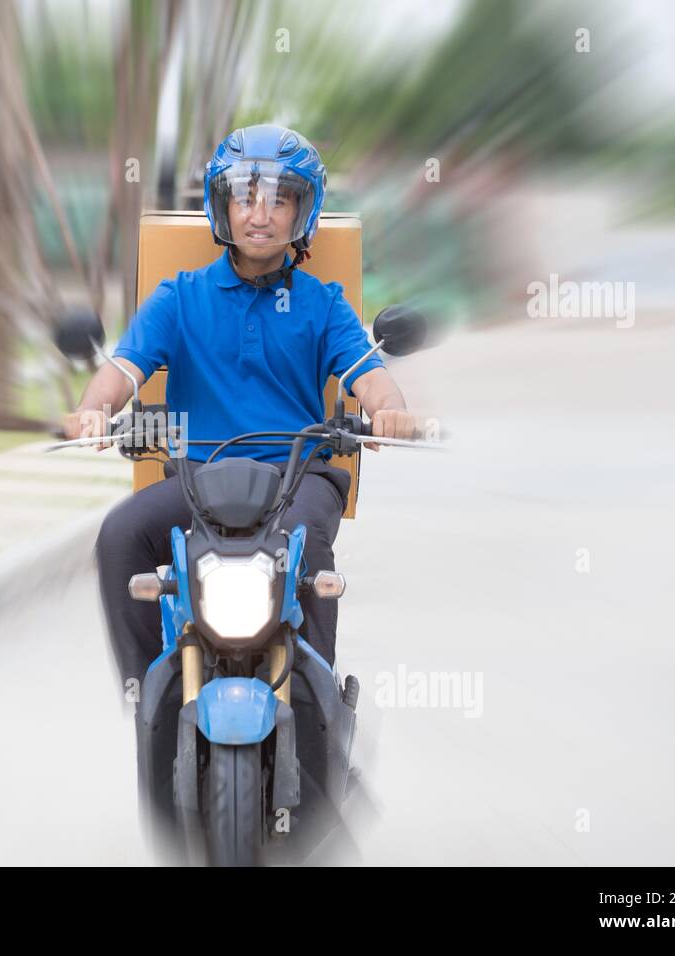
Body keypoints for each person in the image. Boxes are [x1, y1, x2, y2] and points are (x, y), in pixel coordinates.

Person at [62, 124, 414, 689]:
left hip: (298, 476)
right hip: (202, 479)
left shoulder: (323, 304)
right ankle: (147, 686)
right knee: (119, 533)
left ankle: (314, 690)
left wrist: (391, 408)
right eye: (245, 196)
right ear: (221, 205)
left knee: (303, 545)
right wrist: (92, 409)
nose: (261, 213)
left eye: (280, 198)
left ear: (305, 209)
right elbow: (122, 369)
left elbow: (368, 375)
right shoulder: (180, 296)